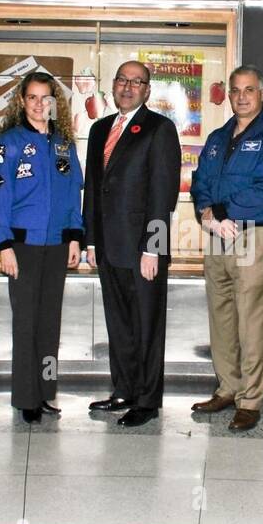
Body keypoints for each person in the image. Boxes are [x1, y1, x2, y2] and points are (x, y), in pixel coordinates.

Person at [190, 66, 263, 431]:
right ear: (229, 94)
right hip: (218, 233)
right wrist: (206, 211)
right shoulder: (218, 137)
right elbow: (199, 180)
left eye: (250, 89)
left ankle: (250, 399)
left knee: (253, 319)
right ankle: (228, 387)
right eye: (236, 90)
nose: (242, 96)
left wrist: (221, 211)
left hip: (252, 234)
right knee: (222, 315)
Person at [82, 61, 182, 428]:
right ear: (113, 86)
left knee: (147, 325)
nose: (128, 87)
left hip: (144, 250)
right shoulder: (99, 130)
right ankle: (123, 388)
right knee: (119, 323)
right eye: (122, 80)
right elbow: (93, 189)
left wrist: (153, 247)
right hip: (108, 247)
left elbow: (163, 193)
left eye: (136, 82)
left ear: (147, 90)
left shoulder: (159, 129)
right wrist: (90, 239)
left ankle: (147, 399)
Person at [0, 72, 83, 423]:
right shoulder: (6, 143)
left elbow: (73, 195)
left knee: (49, 325)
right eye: (33, 98)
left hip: (57, 246)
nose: (40, 105)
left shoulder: (64, 145)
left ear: (56, 102)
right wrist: (3, 244)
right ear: (21, 102)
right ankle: (26, 397)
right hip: (22, 247)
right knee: (25, 324)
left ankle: (46, 391)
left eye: (47, 98)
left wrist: (75, 236)